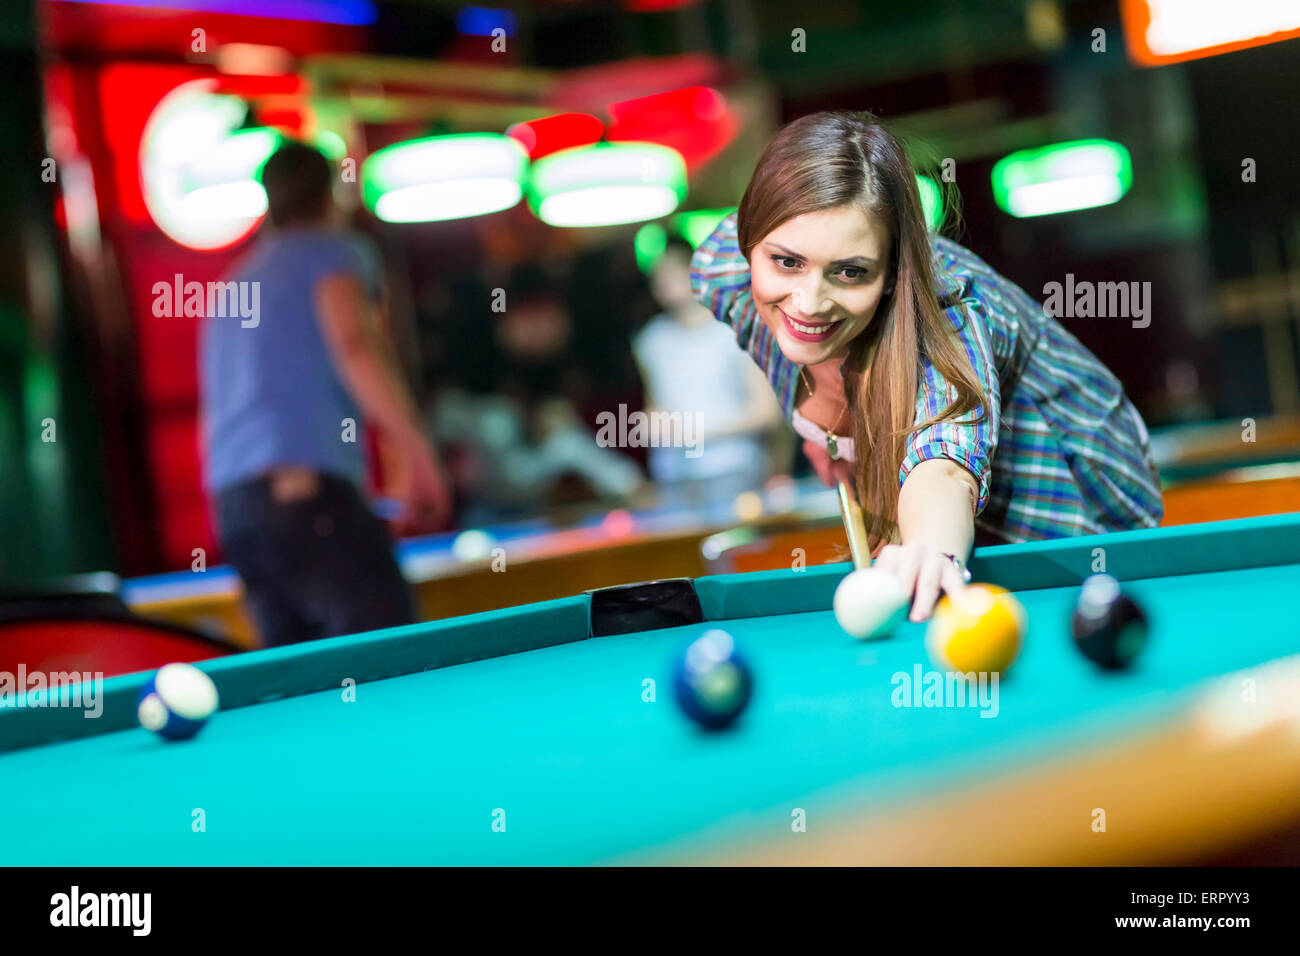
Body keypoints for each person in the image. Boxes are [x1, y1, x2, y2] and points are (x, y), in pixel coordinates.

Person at [690, 110, 1162, 622]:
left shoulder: (948, 318)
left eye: (850, 272)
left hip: (1071, 529)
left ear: (894, 272)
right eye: (787, 262)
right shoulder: (725, 272)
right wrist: (828, 429)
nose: (808, 302)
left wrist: (933, 551)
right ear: (750, 244)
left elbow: (944, 465)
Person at [199, 140, 451, 646]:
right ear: (332, 193)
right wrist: (420, 459)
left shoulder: (236, 281)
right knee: (390, 662)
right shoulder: (332, 251)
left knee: (298, 681)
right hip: (305, 494)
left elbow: (212, 420)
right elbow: (355, 346)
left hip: (238, 510)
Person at [632, 237, 783, 509]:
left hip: (732, 468)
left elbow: (766, 413)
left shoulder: (736, 329)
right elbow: (654, 406)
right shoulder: (650, 340)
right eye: (660, 277)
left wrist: (697, 430)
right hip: (673, 474)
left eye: (674, 274)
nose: (667, 284)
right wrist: (649, 425)